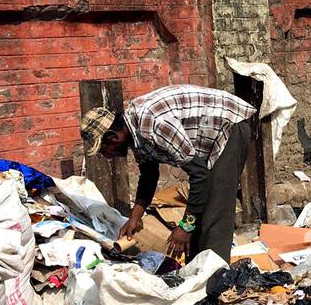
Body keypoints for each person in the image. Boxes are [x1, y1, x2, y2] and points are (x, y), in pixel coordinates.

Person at [79, 85, 257, 263]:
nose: (107, 156)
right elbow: (149, 175)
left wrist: (185, 227)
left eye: (104, 149)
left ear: (113, 136)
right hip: (207, 142)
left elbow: (200, 175)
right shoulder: (135, 131)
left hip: (228, 128)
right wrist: (135, 218)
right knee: (197, 214)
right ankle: (197, 275)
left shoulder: (153, 125)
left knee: (214, 215)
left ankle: (215, 280)